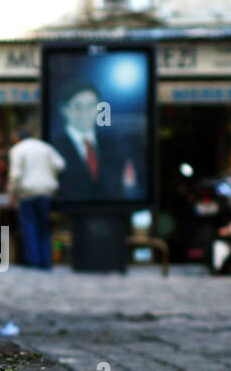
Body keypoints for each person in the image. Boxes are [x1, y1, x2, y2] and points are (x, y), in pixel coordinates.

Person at [53, 80, 140, 203]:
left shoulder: (113, 143)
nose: (85, 112)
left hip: (112, 214)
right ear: (64, 110)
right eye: (78, 106)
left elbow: (127, 185)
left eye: (91, 105)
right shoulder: (53, 145)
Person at [8, 128, 65, 268]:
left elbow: (15, 175)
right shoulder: (44, 147)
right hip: (46, 190)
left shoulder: (18, 149)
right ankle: (46, 261)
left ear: (17, 138)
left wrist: (12, 195)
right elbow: (60, 164)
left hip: (27, 192)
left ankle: (34, 260)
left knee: (29, 227)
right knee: (44, 227)